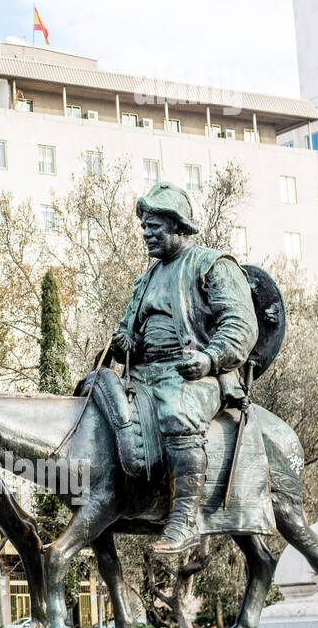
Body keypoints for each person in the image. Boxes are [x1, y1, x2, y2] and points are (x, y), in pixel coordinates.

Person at [110, 182, 258, 556]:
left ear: (177, 226)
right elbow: (130, 329)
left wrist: (210, 358)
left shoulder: (212, 264)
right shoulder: (145, 279)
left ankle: (184, 521)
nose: (146, 235)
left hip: (196, 375)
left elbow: (240, 325)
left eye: (154, 227)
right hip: (144, 376)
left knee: (178, 414)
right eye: (143, 227)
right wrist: (125, 342)